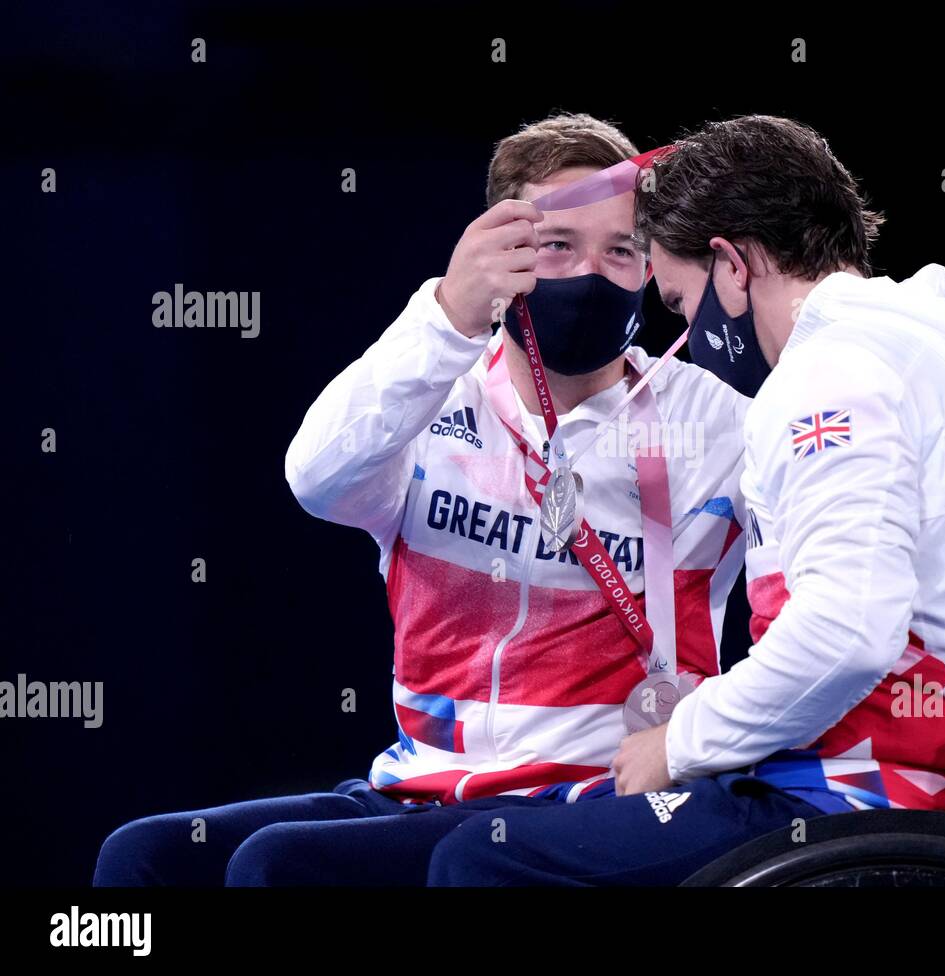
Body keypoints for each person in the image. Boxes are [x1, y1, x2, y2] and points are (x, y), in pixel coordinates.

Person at [424, 115, 945, 886]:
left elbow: (849, 629)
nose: (689, 332)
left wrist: (680, 742)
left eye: (683, 306)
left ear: (731, 266)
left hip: (834, 806)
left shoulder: (825, 378)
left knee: (486, 856)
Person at [92, 114, 751, 886]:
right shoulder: (430, 394)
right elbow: (315, 478)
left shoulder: (709, 416)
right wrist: (446, 315)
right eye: (557, 246)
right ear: (500, 253)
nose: (590, 274)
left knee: (280, 868)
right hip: (421, 786)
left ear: (652, 268)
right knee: (143, 857)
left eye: (621, 251)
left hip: (594, 796)